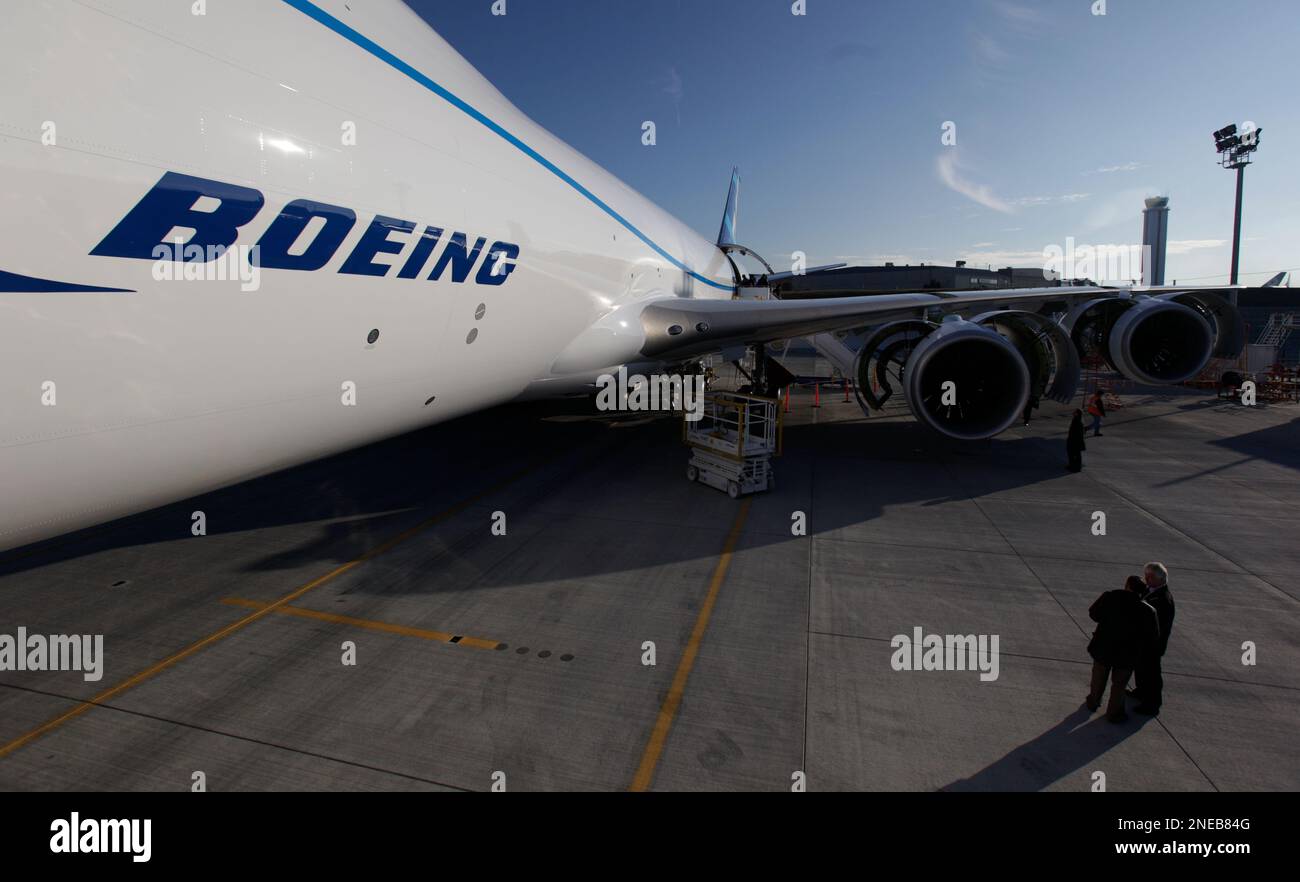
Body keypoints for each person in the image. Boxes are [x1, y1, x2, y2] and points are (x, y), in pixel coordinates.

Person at [1086, 575, 1159, 723]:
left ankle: (1094, 701)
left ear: (1127, 586)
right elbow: (1152, 635)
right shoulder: (1147, 610)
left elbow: (1094, 614)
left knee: (1098, 676)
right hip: (1128, 653)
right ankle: (1114, 713)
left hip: (1104, 647)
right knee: (1119, 684)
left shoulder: (1110, 597)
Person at [1131, 562, 1175, 715]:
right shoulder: (1152, 590)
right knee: (1141, 668)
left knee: (1152, 674)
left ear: (1159, 579)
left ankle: (1152, 703)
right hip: (1144, 642)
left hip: (1153, 644)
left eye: (1149, 577)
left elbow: (1158, 625)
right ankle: (1141, 691)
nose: (1146, 579)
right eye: (1146, 576)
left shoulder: (1163, 599)